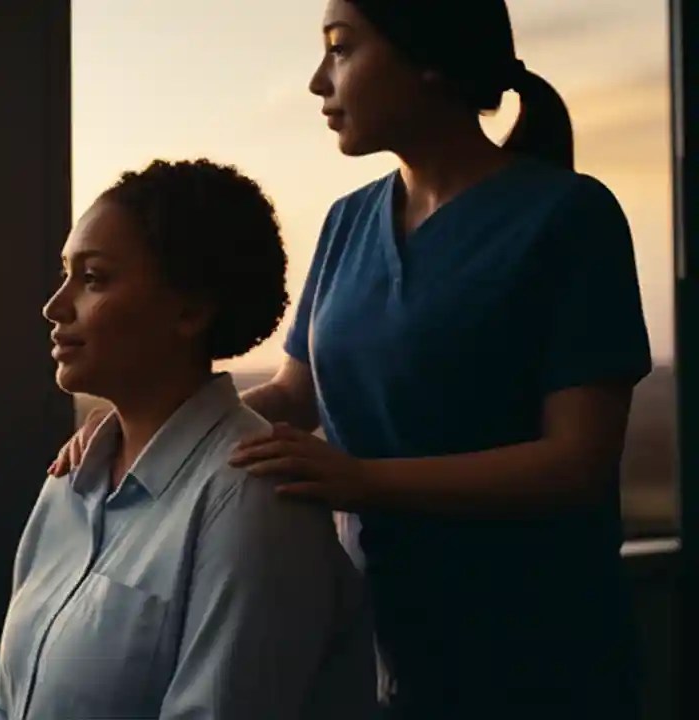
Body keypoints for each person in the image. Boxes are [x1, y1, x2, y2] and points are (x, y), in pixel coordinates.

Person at [52, 2, 653, 718]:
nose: (317, 81)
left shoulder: (569, 217)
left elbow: (578, 462)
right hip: (382, 637)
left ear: (427, 58)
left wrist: (365, 480)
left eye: (341, 49)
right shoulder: (349, 222)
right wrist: (143, 431)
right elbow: (294, 393)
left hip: (534, 652)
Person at [0, 159, 375, 719]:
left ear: (189, 310)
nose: (54, 307)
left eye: (92, 279)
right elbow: (5, 698)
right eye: (64, 275)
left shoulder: (254, 502)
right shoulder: (71, 480)